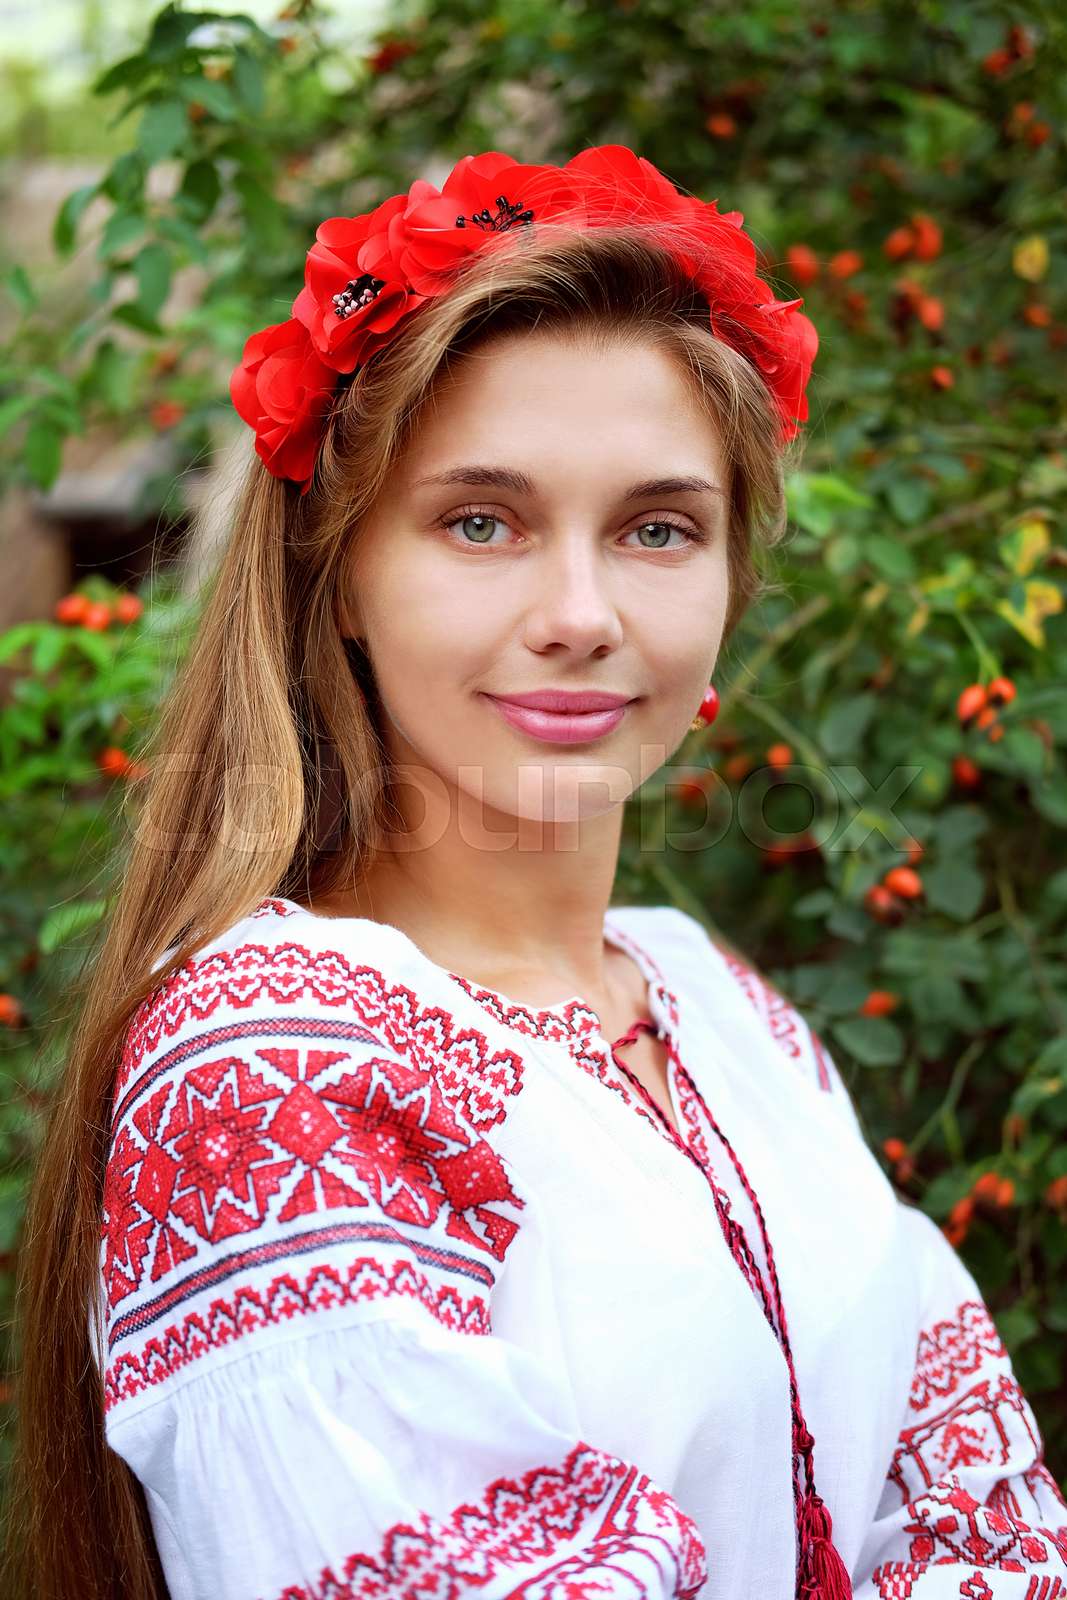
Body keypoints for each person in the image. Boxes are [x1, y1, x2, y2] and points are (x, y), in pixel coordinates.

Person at [7, 145, 1065, 1600]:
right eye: (482, 522)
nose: (582, 613)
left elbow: (980, 1512)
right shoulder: (269, 1057)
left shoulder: (719, 1006)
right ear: (343, 575)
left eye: (656, 528)